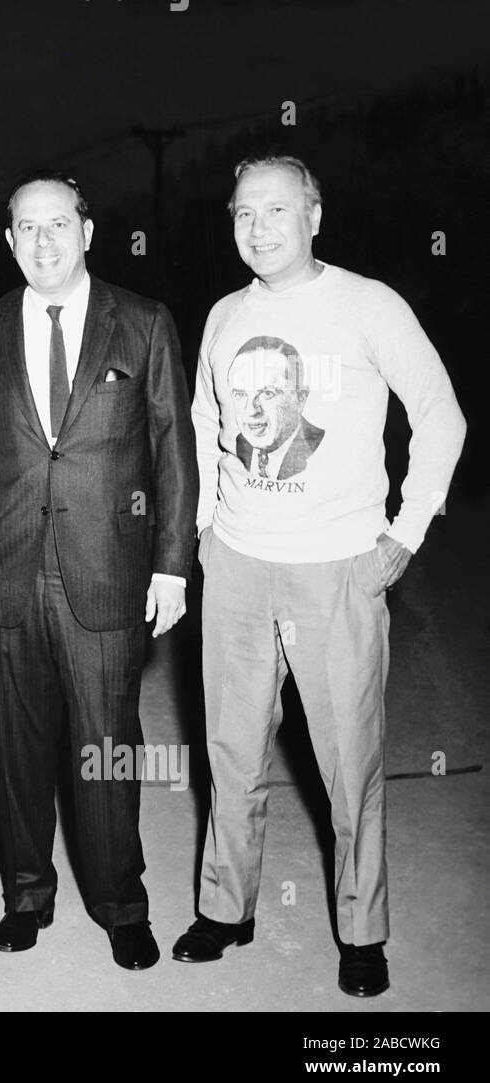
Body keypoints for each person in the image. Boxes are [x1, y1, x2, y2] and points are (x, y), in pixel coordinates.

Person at [178, 154, 466, 997]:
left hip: (336, 570)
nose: (258, 229)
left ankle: (362, 930)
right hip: (238, 563)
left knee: (349, 761)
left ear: (314, 215)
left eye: (276, 210)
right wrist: (204, 525)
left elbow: (440, 415)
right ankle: (226, 908)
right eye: (242, 214)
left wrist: (406, 533)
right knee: (231, 749)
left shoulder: (369, 304)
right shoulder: (225, 314)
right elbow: (202, 419)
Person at [0, 171, 197, 970]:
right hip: (7, 573)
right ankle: (27, 893)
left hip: (107, 570)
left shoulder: (144, 321)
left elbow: (174, 452)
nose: (43, 240)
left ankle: (119, 900)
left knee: (106, 745)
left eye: (57, 223)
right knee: (16, 743)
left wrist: (172, 566)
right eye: (25, 227)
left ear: (88, 232)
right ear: (9, 240)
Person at [228, 335, 323, 480]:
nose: (251, 411)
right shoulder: (239, 445)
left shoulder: (321, 449)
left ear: (300, 398)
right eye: (240, 394)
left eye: (267, 393)